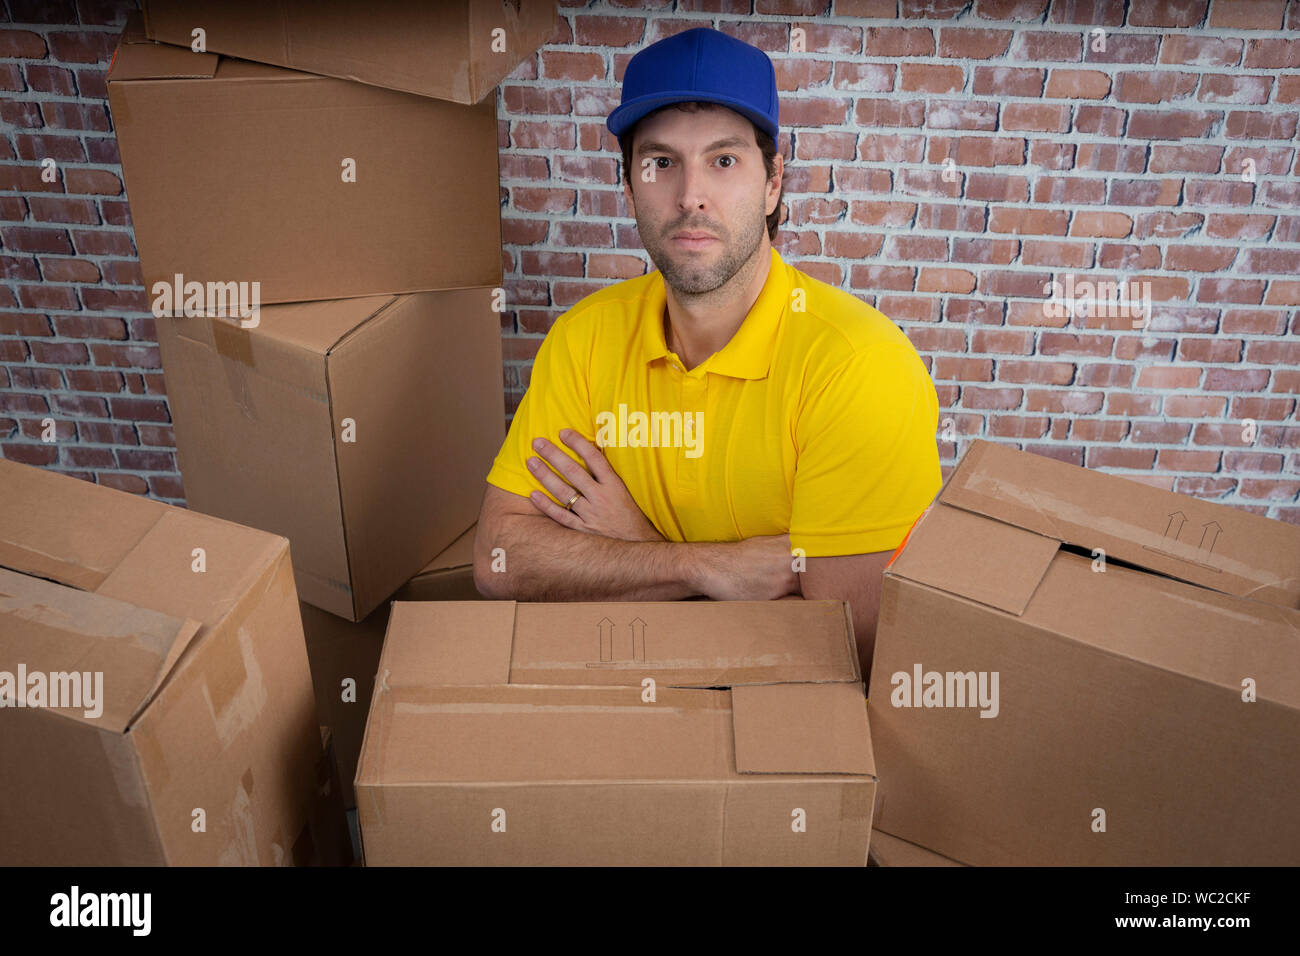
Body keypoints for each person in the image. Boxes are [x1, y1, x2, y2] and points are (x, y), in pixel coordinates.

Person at [473, 27, 940, 677]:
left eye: (724, 161)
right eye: (661, 162)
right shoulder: (584, 337)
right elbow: (498, 560)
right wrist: (699, 564)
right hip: (618, 689)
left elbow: (847, 654)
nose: (691, 195)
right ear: (630, 190)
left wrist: (627, 554)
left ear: (773, 184)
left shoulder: (859, 366)